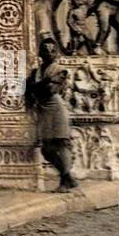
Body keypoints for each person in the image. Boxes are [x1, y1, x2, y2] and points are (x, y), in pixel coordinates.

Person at [25, 37, 78, 192]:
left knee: (61, 144)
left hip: (56, 109)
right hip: (43, 110)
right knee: (47, 149)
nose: (49, 53)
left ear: (56, 53)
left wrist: (38, 85)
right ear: (40, 53)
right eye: (45, 50)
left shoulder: (61, 70)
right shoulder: (36, 71)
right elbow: (29, 89)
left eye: (52, 50)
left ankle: (64, 181)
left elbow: (50, 91)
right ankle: (67, 177)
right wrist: (45, 82)